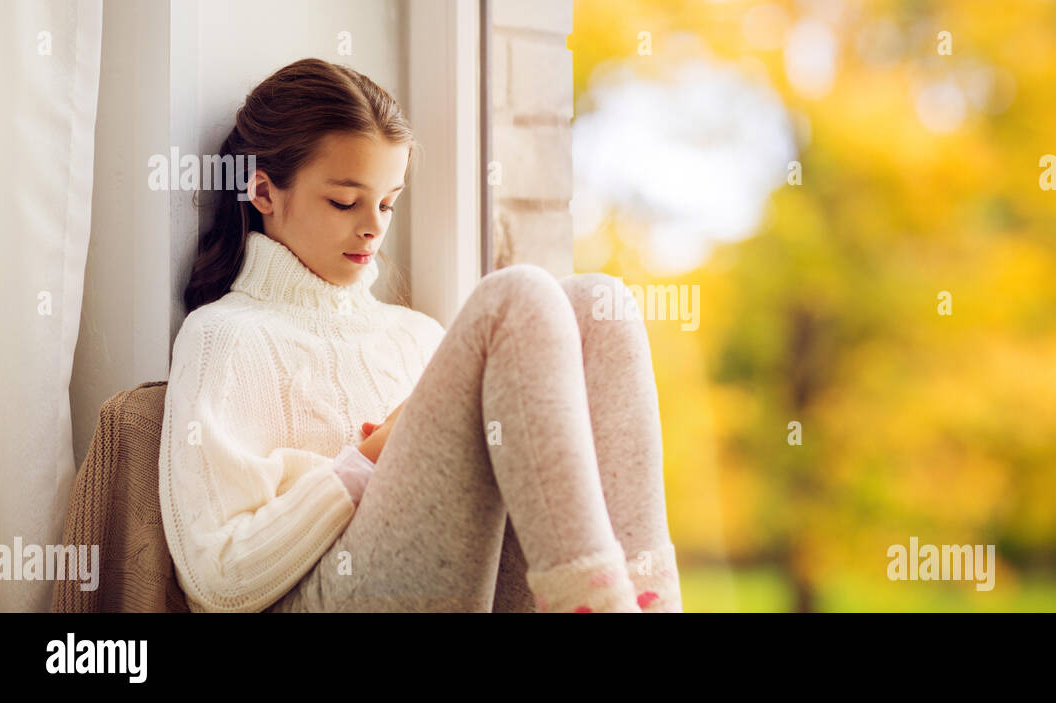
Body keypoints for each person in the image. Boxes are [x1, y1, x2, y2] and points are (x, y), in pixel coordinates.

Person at [157, 57, 681, 613]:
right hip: (313, 600)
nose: (374, 227)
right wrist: (366, 459)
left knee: (600, 306)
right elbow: (217, 577)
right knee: (515, 297)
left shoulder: (417, 337)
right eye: (344, 201)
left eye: (387, 202)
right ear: (263, 192)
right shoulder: (224, 337)